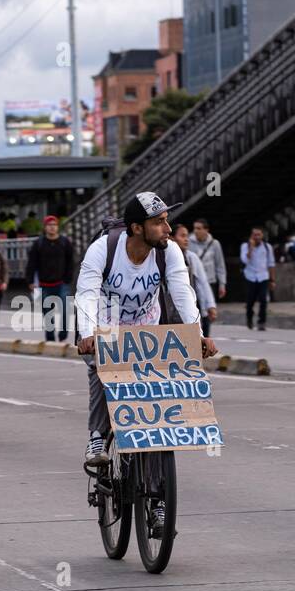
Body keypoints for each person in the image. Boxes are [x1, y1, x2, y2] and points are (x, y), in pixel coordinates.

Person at [77, 192, 216, 475]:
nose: (167, 229)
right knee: (99, 369)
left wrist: (197, 334)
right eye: (158, 222)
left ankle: (159, 497)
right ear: (136, 228)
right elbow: (86, 293)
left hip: (147, 327)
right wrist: (86, 334)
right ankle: (97, 437)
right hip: (106, 325)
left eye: (167, 221)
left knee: (159, 392)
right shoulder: (103, 249)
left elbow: (182, 293)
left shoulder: (169, 250)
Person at [25, 215, 75, 342]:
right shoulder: (39, 244)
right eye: (49, 225)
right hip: (44, 284)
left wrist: (68, 278)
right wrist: (30, 281)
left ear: (57, 227)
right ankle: (50, 337)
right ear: (45, 227)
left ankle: (63, 333)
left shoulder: (65, 242)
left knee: (65, 310)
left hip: (62, 283)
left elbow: (71, 261)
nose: (52, 227)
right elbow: (32, 263)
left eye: (54, 225)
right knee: (48, 313)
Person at [187, 218, 227, 336]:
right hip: (194, 282)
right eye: (195, 228)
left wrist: (222, 284)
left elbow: (220, 265)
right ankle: (196, 335)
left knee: (207, 310)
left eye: (199, 228)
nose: (196, 231)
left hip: (210, 281)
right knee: (196, 311)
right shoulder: (188, 242)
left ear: (206, 230)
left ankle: (206, 336)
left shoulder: (214, 244)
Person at [173, 224, 217, 328]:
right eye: (182, 236)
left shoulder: (192, 258)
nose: (186, 239)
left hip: (194, 307)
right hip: (173, 311)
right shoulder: (163, 258)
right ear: (172, 238)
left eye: (187, 236)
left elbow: (203, 282)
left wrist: (210, 305)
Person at [240, 227, 276, 330]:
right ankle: (249, 319)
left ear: (262, 235)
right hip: (250, 276)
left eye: (259, 235)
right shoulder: (245, 246)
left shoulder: (267, 247)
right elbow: (245, 261)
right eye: (255, 235)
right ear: (251, 236)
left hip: (263, 276)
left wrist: (272, 280)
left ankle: (261, 322)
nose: (257, 237)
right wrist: (251, 248)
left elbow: (271, 264)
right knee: (250, 301)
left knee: (263, 300)